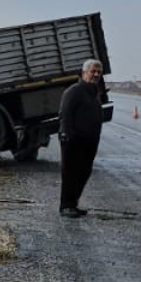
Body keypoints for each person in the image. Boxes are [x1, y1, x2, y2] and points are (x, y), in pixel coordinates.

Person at [57, 59, 108, 217]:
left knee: (84, 172)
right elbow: (64, 113)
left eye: (98, 72)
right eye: (93, 71)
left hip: (89, 141)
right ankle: (66, 206)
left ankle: (73, 203)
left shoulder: (93, 91)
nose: (96, 74)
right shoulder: (74, 91)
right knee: (71, 173)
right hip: (74, 140)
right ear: (84, 72)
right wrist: (65, 133)